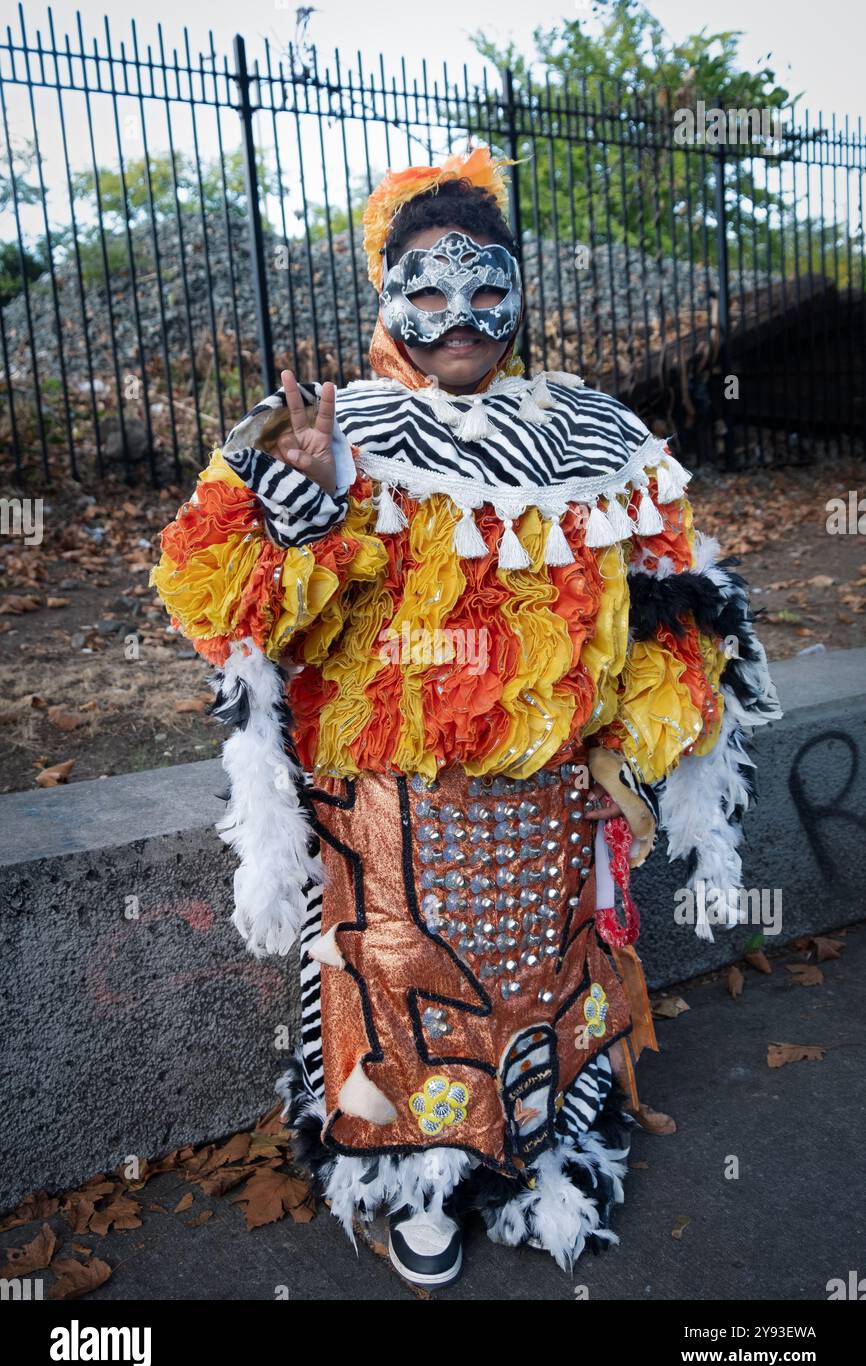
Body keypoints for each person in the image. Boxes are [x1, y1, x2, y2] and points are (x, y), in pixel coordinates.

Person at [151, 144, 782, 1289]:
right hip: (388, 805)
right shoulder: (319, 429)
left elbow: (672, 599)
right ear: (384, 296)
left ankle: (538, 1159)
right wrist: (309, 515)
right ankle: (418, 1180)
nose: (460, 318)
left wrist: (638, 742)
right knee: (402, 994)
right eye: (428, 292)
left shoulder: (595, 437)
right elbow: (215, 609)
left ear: (518, 294)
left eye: (487, 288)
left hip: (547, 802)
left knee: (544, 992)